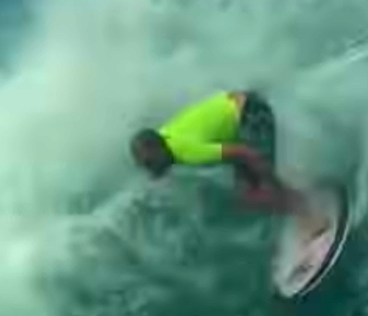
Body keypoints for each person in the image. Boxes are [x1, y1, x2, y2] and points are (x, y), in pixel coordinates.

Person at [129, 91, 321, 229]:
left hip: (251, 114)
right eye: (145, 166)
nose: (151, 171)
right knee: (249, 195)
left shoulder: (186, 151)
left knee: (254, 195)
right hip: (239, 108)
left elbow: (244, 153)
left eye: (151, 164)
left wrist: (273, 184)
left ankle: (309, 213)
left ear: (160, 150)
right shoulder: (161, 138)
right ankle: (297, 203)